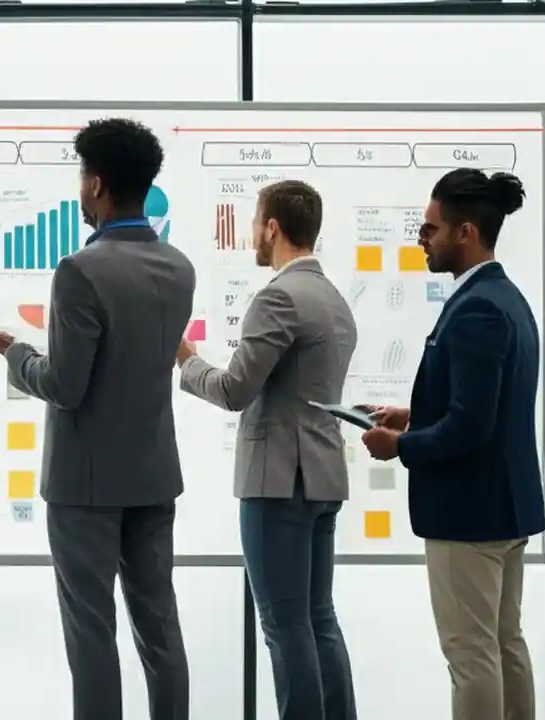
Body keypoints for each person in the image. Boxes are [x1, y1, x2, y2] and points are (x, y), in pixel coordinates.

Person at [0, 117, 194, 720]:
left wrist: (15, 353)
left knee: (92, 630)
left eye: (81, 179)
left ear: (97, 184)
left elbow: (64, 386)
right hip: (154, 475)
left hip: (85, 485)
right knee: (159, 625)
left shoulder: (80, 271)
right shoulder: (178, 266)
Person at [361, 168, 543, 720]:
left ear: (466, 232)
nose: (423, 240)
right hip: (502, 508)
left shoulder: (478, 309)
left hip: (470, 514)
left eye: (429, 230)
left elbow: (470, 426)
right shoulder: (504, 297)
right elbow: (485, 403)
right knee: (504, 643)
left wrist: (402, 446)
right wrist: (414, 416)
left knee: (470, 655)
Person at [177, 180, 358, 720]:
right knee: (318, 617)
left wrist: (186, 360)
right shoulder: (332, 298)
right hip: (321, 479)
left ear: (272, 227)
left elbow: (235, 389)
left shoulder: (278, 296)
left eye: (256, 224)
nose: (253, 236)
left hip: (279, 481)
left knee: (284, 624)